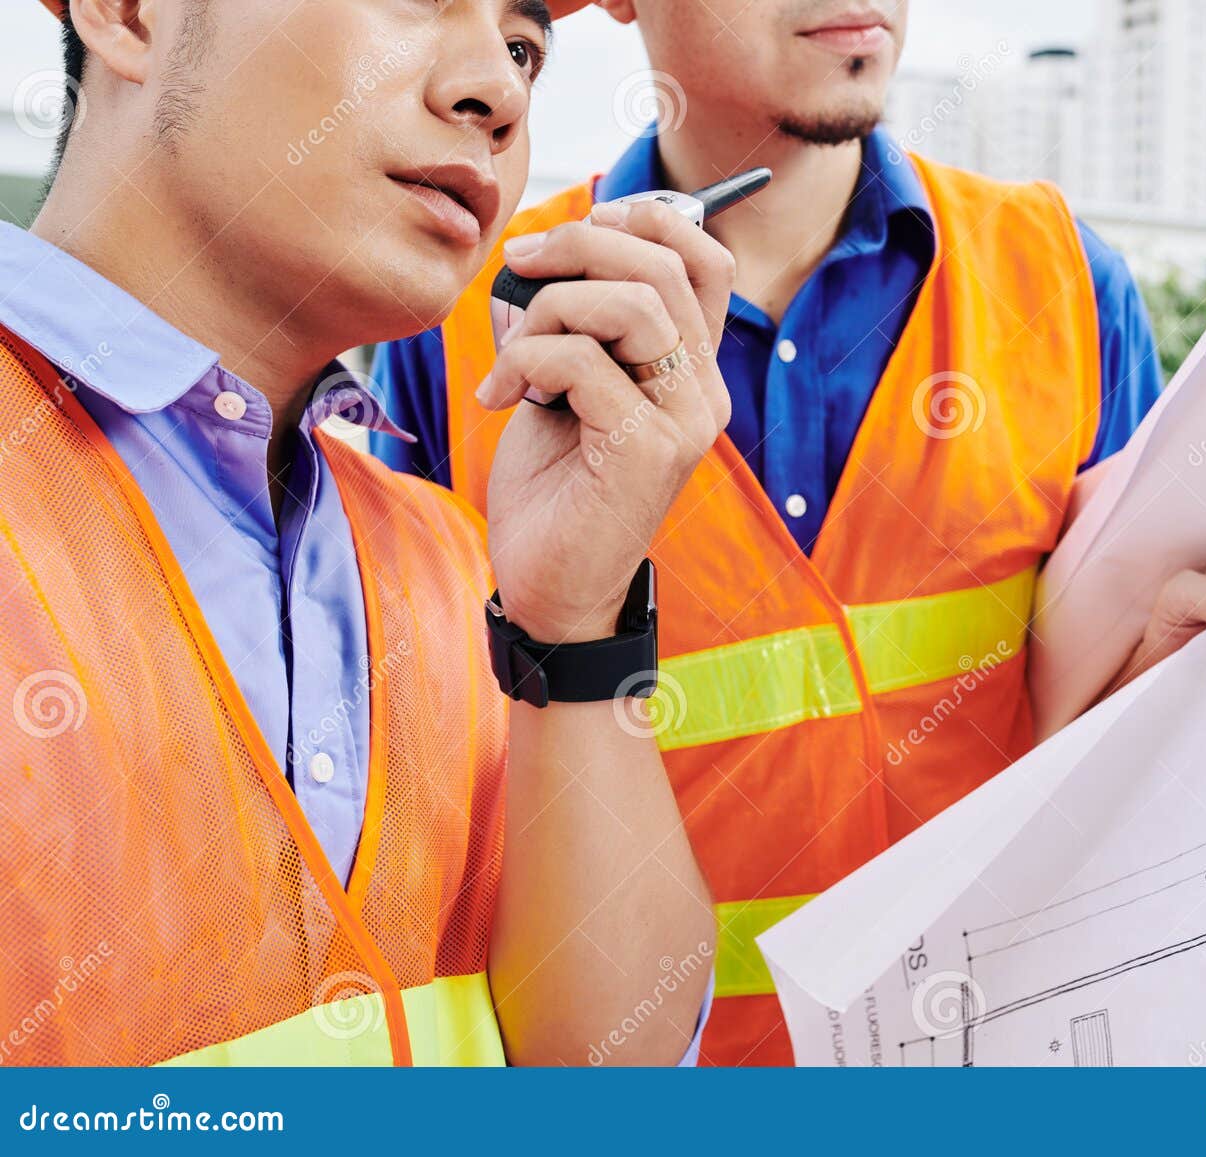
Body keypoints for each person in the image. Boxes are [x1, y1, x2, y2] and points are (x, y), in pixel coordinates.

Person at [371, 0, 1206, 1065]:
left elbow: (1097, 734)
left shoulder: (1058, 277)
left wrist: (1180, 678)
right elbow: (426, 811)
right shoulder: (476, 320)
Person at [1, 0, 734, 1067]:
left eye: (524, 45)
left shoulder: (454, 564)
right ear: (127, 15)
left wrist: (577, 624)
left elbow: (606, 1076)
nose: (499, 89)